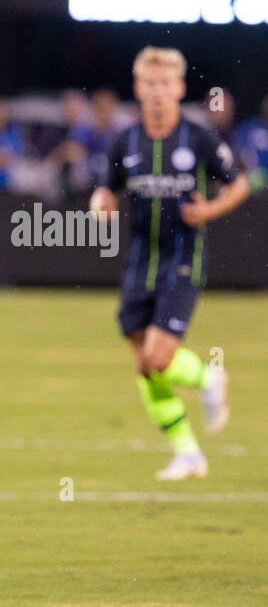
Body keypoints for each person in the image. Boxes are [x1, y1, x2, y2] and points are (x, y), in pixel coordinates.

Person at [88, 47, 249, 481]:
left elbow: (239, 184)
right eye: (150, 84)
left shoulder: (198, 138)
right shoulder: (125, 141)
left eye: (166, 84)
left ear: (179, 88)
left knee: (158, 359)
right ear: (138, 89)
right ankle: (188, 454)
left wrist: (210, 211)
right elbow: (106, 188)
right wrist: (100, 202)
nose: (158, 92)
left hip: (183, 258)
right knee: (144, 364)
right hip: (141, 261)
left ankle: (209, 379)